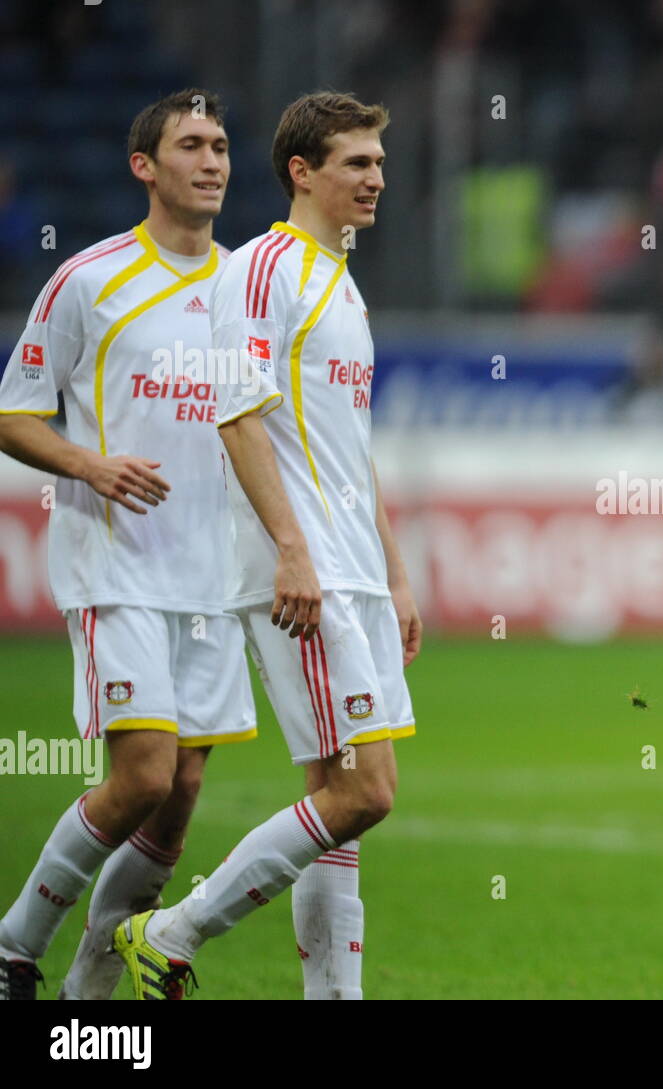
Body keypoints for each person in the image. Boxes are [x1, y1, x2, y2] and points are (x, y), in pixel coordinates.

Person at [113, 91, 422, 1000]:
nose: (376, 178)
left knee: (339, 798)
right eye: (356, 163)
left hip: (351, 569)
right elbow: (236, 412)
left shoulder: (343, 279)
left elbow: (349, 449)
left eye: (377, 160)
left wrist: (395, 574)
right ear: (303, 171)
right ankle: (170, 930)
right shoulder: (263, 268)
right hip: (304, 569)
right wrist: (295, 550)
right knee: (367, 788)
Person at [0, 90, 257, 1001]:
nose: (214, 160)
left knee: (178, 798)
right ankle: (11, 946)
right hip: (117, 565)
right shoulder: (90, 280)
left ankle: (90, 1001)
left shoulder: (242, 291)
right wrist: (90, 464)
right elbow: (13, 411)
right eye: (191, 144)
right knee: (141, 772)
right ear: (144, 166)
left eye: (222, 145)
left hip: (213, 581)